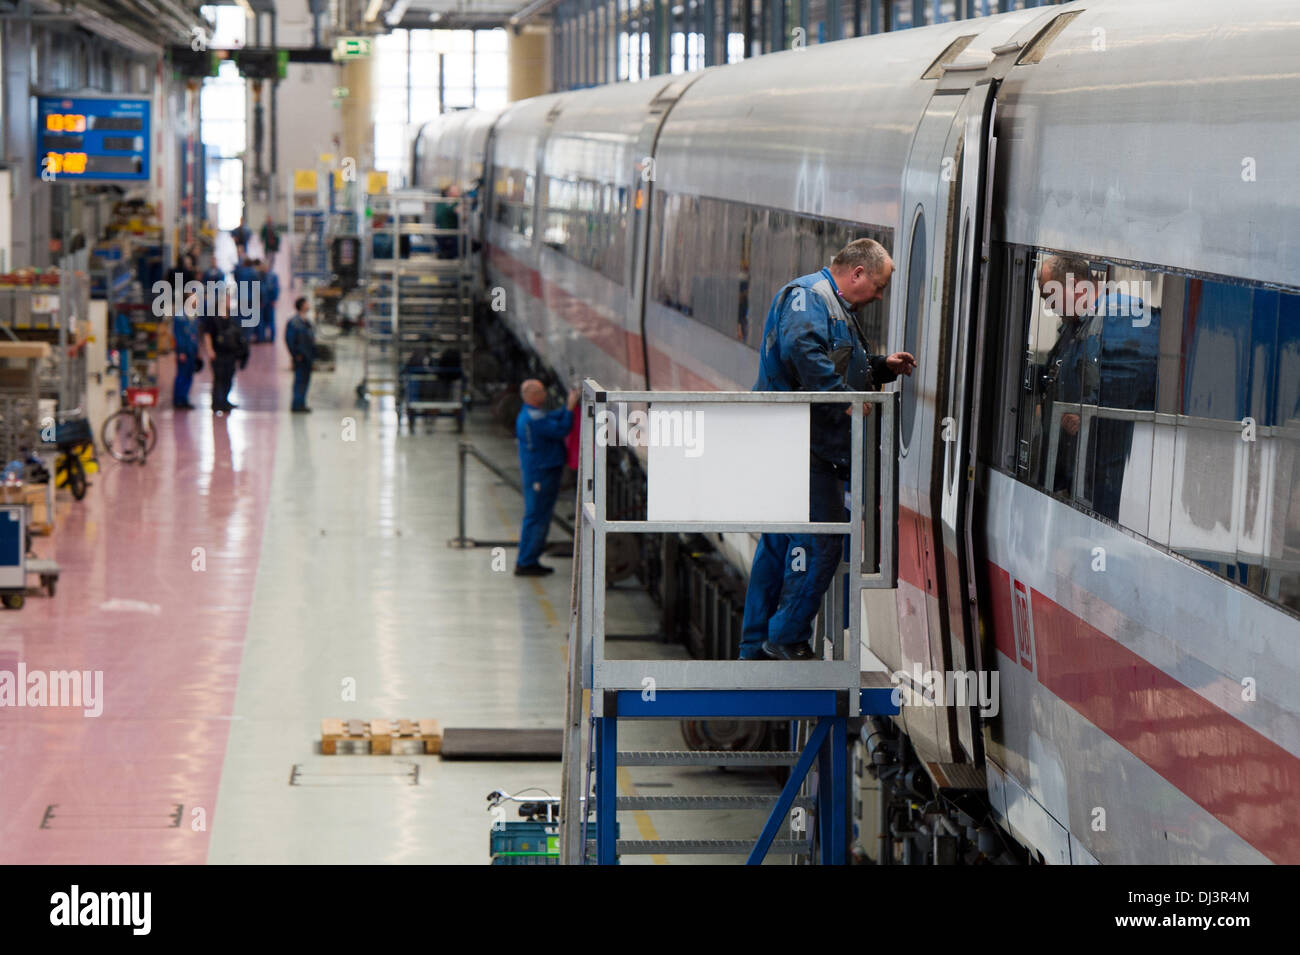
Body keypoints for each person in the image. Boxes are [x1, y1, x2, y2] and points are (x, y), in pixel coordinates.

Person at [740, 238, 915, 660]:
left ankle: (755, 643)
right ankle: (784, 637)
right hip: (800, 445)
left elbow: (835, 361)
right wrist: (849, 404)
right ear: (856, 274)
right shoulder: (807, 301)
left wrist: (878, 367)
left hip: (806, 444)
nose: (878, 296)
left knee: (780, 543)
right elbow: (804, 353)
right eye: (878, 286)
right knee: (822, 543)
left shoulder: (834, 306)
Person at [1035, 254, 1158, 520]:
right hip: (1079, 475)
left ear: (1077, 287)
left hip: (1107, 477)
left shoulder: (1120, 315)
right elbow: (1054, 373)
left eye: (1050, 295)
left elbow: (1130, 382)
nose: (1048, 304)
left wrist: (1088, 411)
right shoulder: (1076, 326)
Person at [515, 380, 580, 576]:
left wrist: (567, 407)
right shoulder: (534, 419)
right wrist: (569, 408)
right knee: (537, 518)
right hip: (541, 474)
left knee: (536, 517)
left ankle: (528, 559)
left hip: (540, 471)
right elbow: (560, 429)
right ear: (533, 395)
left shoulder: (531, 414)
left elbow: (553, 417)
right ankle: (526, 562)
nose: (545, 393)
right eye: (542, 391)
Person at [202, 294, 249, 415]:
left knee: (229, 378)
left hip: (230, 353)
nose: (229, 302)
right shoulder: (213, 317)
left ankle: (225, 401)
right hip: (218, 353)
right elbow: (207, 334)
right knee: (219, 379)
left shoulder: (231, 318)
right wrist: (210, 350)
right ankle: (216, 403)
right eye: (227, 300)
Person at [284, 297, 316, 414]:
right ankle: (296, 404)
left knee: (306, 381)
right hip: (300, 357)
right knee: (299, 380)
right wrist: (295, 354)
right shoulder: (294, 322)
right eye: (306, 303)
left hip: (308, 356)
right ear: (301, 305)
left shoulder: (307, 322)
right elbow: (289, 339)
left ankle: (302, 403)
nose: (308, 305)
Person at [172, 296, 202, 410]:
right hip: (184, 351)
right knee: (182, 376)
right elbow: (178, 336)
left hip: (192, 351)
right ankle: (178, 399)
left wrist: (197, 351)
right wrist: (181, 352)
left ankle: (184, 399)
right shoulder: (180, 317)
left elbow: (195, 335)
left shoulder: (194, 316)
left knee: (189, 375)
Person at [256, 259, 279, 343]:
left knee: (271, 321)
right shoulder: (258, 276)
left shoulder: (273, 276)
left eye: (265, 266)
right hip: (261, 302)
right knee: (260, 321)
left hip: (269, 302)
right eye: (262, 266)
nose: (263, 268)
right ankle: (260, 338)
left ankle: (272, 338)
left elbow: (276, 288)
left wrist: (274, 300)